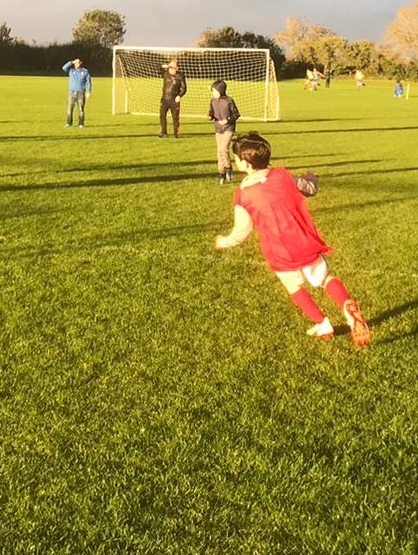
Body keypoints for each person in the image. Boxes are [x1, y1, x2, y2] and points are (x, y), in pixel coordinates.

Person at [214, 132, 371, 346]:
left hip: (279, 252)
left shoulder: (244, 195)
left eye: (237, 158)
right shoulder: (283, 176)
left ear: (246, 162)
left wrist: (223, 241)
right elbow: (310, 189)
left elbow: (241, 232)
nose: (236, 161)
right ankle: (347, 306)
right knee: (325, 278)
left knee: (294, 287)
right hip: (304, 242)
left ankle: (322, 323)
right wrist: (311, 177)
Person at [207, 79, 240, 184]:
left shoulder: (229, 101)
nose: (213, 93)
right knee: (219, 152)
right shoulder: (212, 101)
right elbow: (211, 112)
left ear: (221, 90)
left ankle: (228, 168)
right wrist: (210, 116)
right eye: (212, 91)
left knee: (223, 149)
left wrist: (227, 120)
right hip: (218, 129)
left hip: (228, 128)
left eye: (215, 91)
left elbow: (236, 114)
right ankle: (221, 172)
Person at [158, 60, 187, 138]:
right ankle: (163, 132)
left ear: (177, 68)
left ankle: (176, 133)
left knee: (175, 117)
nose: (171, 69)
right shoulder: (165, 73)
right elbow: (158, 69)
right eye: (170, 67)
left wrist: (179, 96)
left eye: (173, 67)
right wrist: (163, 66)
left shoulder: (180, 76)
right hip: (164, 99)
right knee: (162, 116)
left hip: (174, 100)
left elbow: (184, 88)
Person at [62, 58, 93, 127]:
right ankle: (69, 123)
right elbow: (64, 68)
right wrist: (71, 62)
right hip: (72, 92)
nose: (77, 64)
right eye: (75, 63)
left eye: (78, 62)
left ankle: (81, 123)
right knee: (70, 109)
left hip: (81, 93)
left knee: (81, 109)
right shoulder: (71, 70)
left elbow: (88, 82)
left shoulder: (85, 71)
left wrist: (88, 91)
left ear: (81, 63)